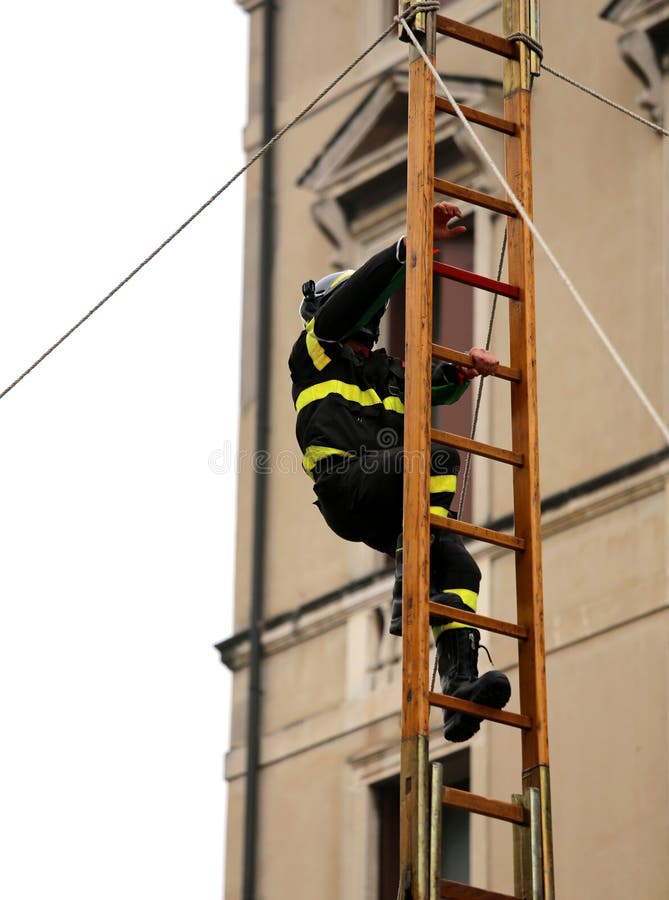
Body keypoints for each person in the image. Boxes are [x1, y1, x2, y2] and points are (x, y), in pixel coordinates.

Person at [289, 201, 510, 742]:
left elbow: (435, 380)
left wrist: (465, 366)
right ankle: (415, 557)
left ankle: (459, 690)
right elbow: (351, 303)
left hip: (389, 500)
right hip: (347, 488)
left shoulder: (389, 371)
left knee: (461, 569)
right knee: (436, 457)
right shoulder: (315, 352)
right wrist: (398, 255)